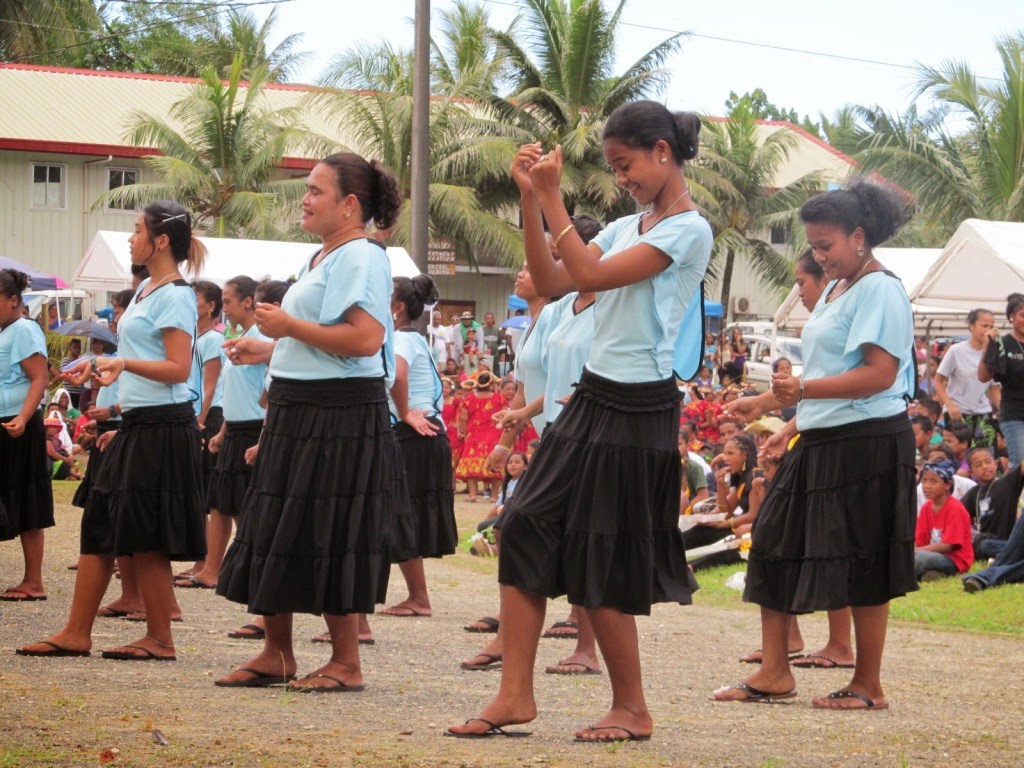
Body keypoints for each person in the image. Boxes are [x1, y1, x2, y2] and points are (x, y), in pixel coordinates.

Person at [448, 100, 711, 741]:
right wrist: (531, 204)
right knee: (525, 523)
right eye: (615, 168)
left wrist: (555, 196)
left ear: (663, 152)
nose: (622, 178)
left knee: (605, 556)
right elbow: (551, 279)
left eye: (626, 165)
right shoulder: (630, 225)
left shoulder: (686, 231)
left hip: (639, 406)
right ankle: (515, 695)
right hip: (593, 396)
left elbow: (588, 272)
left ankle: (632, 708)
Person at [714, 179, 917, 711]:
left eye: (826, 245)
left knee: (863, 559)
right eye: (813, 246)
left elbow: (878, 375)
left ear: (859, 236)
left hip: (869, 440)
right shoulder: (835, 288)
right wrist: (771, 407)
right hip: (822, 435)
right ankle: (775, 671)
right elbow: (830, 369)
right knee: (774, 541)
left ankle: (867, 685)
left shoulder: (881, 288)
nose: (818, 256)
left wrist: (801, 391)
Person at [214, 152, 402, 692]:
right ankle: (277, 653)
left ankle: (345, 662)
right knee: (274, 524)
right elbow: (317, 339)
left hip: (339, 411)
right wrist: (269, 347)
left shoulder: (363, 255)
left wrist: (290, 328)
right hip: (299, 406)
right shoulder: (325, 256)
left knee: (329, 528)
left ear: (349, 205)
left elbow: (365, 340)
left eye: (317, 190)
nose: (306, 198)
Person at [19, 200, 206, 661]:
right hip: (136, 423)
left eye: (137, 229)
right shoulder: (145, 290)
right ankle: (76, 631)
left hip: (163, 428)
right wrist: (108, 378)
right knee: (99, 523)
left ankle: (160, 638)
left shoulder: (175, 294)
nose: (130, 237)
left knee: (145, 534)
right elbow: (146, 369)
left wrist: (120, 362)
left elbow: (179, 368)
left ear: (161, 240)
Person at [180, 276, 267, 591]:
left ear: (248, 301)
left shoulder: (262, 339)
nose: (225, 309)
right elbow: (237, 389)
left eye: (228, 301)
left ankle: (250, 568)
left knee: (244, 505)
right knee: (219, 503)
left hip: (255, 429)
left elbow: (269, 391)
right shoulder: (242, 336)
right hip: (235, 427)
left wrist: (263, 437)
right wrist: (224, 430)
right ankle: (211, 569)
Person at [378, 274, 458, 618]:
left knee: (396, 514)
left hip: (413, 434)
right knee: (402, 516)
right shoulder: (415, 338)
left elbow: (397, 374)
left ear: (396, 308)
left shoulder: (401, 339)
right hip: (426, 435)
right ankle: (417, 596)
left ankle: (417, 597)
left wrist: (404, 411)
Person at [0, 268, 54, 602]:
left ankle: (33, 581)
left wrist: (22, 417)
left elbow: (39, 378)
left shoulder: (24, 329)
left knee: (26, 498)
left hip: (18, 424)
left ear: (14, 300)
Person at [174, 280, 225, 584]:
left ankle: (205, 562)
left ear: (210, 307)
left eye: (196, 300)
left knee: (204, 491)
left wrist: (200, 420)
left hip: (208, 417)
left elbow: (211, 385)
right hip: (195, 415)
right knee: (197, 491)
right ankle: (200, 560)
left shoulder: (212, 340)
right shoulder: (195, 336)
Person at [934, 309, 1000, 449]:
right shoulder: (956, 350)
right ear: (971, 326)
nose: (988, 330)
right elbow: (938, 381)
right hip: (957, 413)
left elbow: (994, 388)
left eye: (991, 326)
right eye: (984, 326)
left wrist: (1003, 412)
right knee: (959, 454)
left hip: (982, 411)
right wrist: (950, 406)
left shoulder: (994, 353)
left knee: (986, 455)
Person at [979, 293, 1024, 466]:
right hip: (1015, 415)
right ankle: (1011, 493)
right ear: (1011, 317)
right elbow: (983, 377)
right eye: (1022, 315)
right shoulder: (1002, 343)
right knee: (1020, 466)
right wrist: (986, 346)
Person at [959, 447, 1022, 560]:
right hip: (986, 542)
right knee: (982, 545)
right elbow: (956, 512)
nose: (984, 467)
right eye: (978, 465)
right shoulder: (974, 493)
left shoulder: (1007, 483)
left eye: (988, 462)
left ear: (996, 463)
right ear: (971, 472)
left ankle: (1012, 553)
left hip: (1008, 538)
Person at [914, 462, 974, 580]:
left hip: (954, 559)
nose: (926, 485)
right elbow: (919, 540)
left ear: (947, 485)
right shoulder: (926, 508)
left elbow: (948, 546)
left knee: (920, 558)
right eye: (924, 480)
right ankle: (929, 574)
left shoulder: (955, 508)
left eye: (933, 481)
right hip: (929, 553)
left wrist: (915, 551)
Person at [455, 371, 504, 502]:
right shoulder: (499, 398)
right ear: (491, 383)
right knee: (495, 463)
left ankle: (472, 494)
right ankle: (494, 496)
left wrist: (462, 431)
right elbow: (505, 415)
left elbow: (463, 418)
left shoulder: (470, 399)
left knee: (471, 461)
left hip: (474, 435)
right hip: (494, 434)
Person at [59, 338, 85, 408]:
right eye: (74, 347)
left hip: (78, 392)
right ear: (70, 348)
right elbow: (64, 373)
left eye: (78, 348)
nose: (76, 349)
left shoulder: (82, 361)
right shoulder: (65, 360)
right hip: (67, 392)